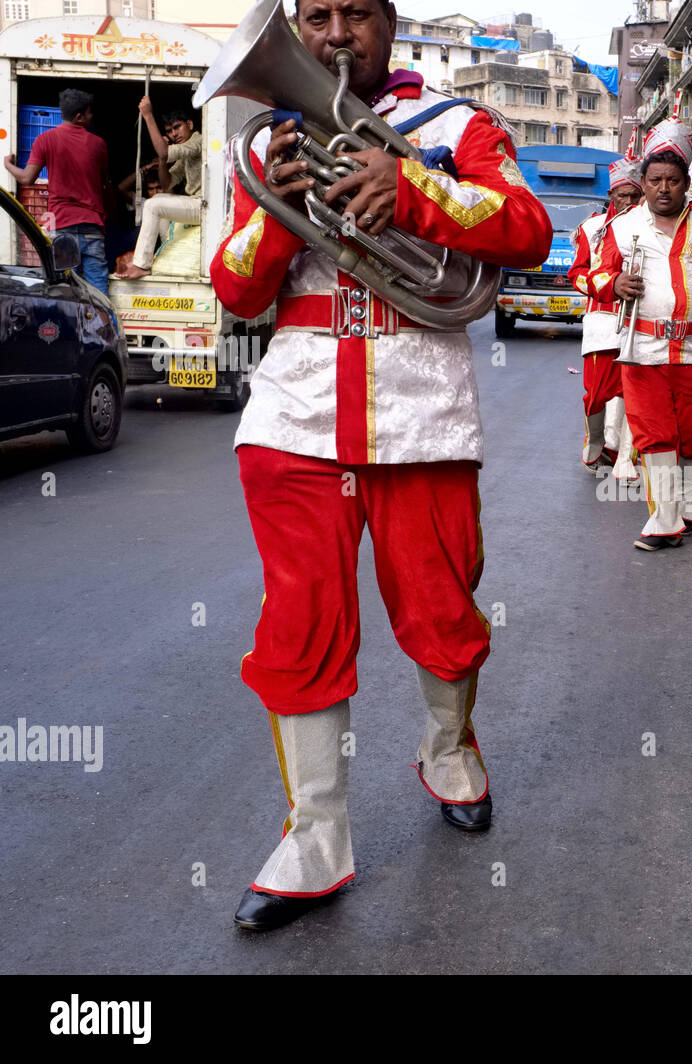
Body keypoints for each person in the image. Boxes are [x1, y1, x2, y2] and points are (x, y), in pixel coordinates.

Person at [208, 0, 551, 932]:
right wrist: (279, 218)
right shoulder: (262, 147)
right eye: (312, 16)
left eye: (353, 13)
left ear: (390, 23)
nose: (333, 35)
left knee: (444, 605)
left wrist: (413, 190)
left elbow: (527, 229)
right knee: (300, 623)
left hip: (423, 412)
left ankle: (449, 750)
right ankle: (312, 838)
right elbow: (236, 287)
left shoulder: (457, 125)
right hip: (296, 415)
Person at [590, 100, 692, 550]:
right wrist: (614, 282)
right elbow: (595, 275)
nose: (663, 188)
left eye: (672, 180)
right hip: (641, 349)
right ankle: (664, 521)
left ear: (687, 183)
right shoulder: (623, 228)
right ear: (642, 183)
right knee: (654, 433)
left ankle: (687, 507)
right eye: (655, 180)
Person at [569, 135, 642, 475]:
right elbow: (578, 273)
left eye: (633, 195)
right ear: (610, 195)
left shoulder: (652, 228)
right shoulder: (591, 229)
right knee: (596, 393)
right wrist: (606, 286)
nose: (627, 201)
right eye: (621, 195)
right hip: (601, 321)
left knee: (633, 391)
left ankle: (625, 458)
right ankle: (596, 438)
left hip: (641, 322)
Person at [4, 88, 111, 295]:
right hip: (92, 227)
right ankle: (104, 327)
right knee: (99, 293)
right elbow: (105, 183)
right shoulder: (99, 144)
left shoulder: (45, 139)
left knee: (65, 292)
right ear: (79, 117)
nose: (92, 117)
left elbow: (27, 178)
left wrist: (8, 165)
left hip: (62, 228)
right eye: (89, 113)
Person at [113, 101, 203, 279]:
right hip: (198, 204)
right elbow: (168, 183)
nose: (173, 134)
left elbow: (164, 152)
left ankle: (141, 264)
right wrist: (162, 161)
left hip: (204, 205)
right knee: (158, 203)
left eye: (177, 127)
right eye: (169, 131)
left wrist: (148, 115)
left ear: (190, 125)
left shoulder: (197, 141)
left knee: (153, 205)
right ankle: (163, 258)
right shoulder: (185, 152)